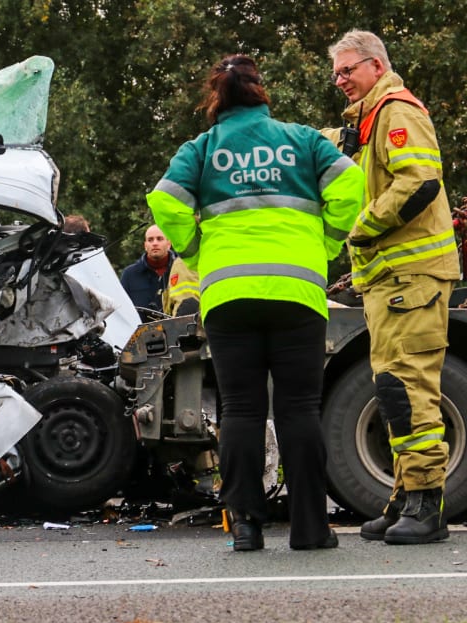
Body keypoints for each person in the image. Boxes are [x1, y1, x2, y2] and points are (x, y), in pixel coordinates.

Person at [147, 54, 363, 551]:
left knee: (241, 409)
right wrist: (327, 241)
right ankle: (310, 528)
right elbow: (351, 183)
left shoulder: (203, 148)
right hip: (297, 290)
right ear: (260, 91)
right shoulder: (302, 140)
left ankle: (245, 525)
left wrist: (195, 251)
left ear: (216, 96)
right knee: (299, 409)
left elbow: (166, 201)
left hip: (228, 293)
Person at [326, 30, 459, 545]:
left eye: (347, 70)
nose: (340, 80)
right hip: (391, 280)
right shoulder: (369, 121)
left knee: (409, 388)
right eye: (336, 73)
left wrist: (361, 228)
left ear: (376, 66)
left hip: (413, 277)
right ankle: (407, 497)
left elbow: (419, 182)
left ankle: (427, 505)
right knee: (394, 392)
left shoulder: (396, 111)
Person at [120, 225, 175, 314]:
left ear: (169, 244)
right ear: (145, 245)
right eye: (150, 240)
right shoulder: (129, 275)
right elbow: (122, 309)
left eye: (159, 239)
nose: (155, 243)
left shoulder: (181, 270)